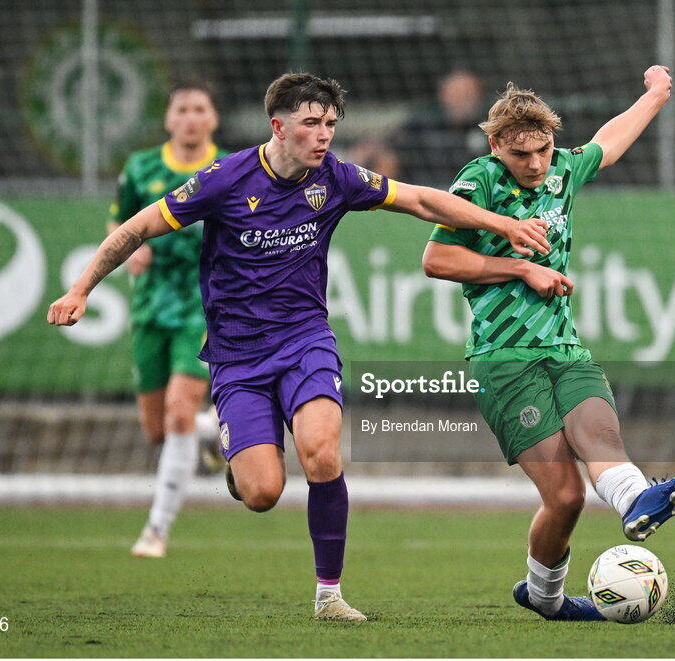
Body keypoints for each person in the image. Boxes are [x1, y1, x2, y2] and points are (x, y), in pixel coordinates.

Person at [48, 72, 551, 622]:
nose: (324, 134)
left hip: (305, 340)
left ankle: (328, 595)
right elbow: (136, 228)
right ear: (279, 126)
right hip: (237, 356)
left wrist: (502, 224)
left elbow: (422, 201)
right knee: (262, 492)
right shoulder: (225, 178)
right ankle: (236, 459)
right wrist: (80, 289)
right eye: (312, 123)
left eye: (330, 123)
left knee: (322, 453)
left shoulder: (336, 177)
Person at [422, 67, 675, 622]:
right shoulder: (480, 181)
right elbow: (436, 259)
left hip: (565, 348)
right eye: (520, 154)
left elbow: (609, 142)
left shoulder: (561, 171)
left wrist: (655, 95)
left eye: (544, 150)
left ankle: (636, 500)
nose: (535, 164)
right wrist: (519, 268)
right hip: (504, 359)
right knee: (566, 498)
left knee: (601, 435)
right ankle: (546, 597)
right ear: (495, 146)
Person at [109, 82, 229, 559]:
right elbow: (119, 222)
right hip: (151, 307)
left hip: (204, 305)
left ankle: (156, 530)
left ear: (213, 119)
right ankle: (216, 429)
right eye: (182, 109)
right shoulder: (141, 168)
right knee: (158, 429)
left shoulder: (231, 169)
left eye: (200, 109)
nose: (191, 118)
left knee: (179, 413)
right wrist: (130, 249)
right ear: (169, 119)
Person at [393, 69, 488, 187]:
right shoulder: (421, 125)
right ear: (443, 95)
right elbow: (390, 155)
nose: (463, 99)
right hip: (426, 189)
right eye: (457, 93)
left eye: (468, 93)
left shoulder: (491, 128)